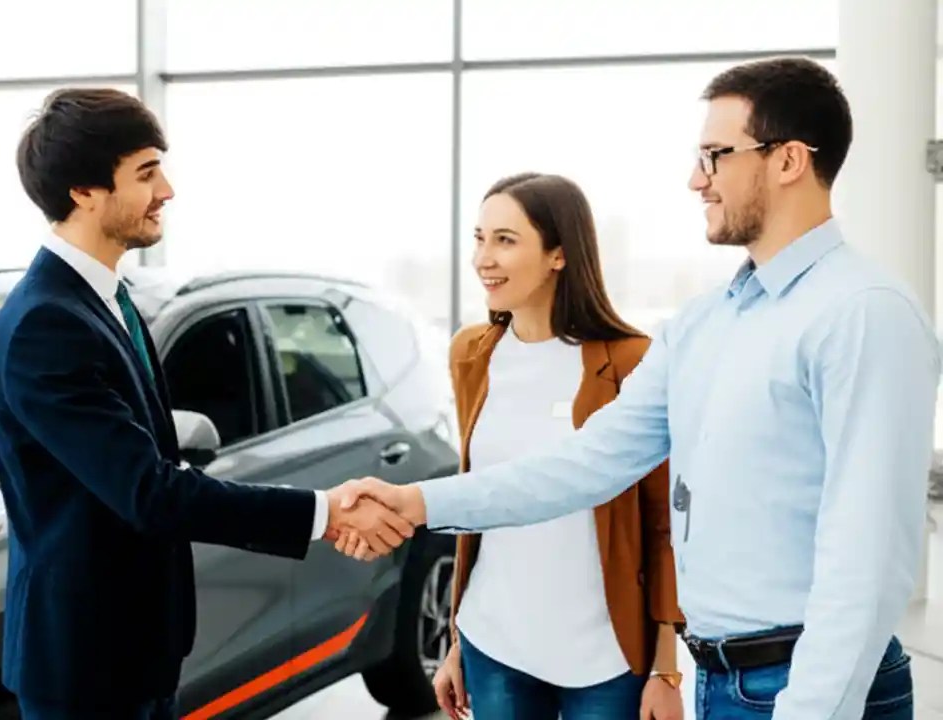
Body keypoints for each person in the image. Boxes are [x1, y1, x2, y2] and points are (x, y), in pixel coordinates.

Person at [337, 57, 941, 719]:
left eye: (715, 156)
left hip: (811, 686)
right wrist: (413, 502)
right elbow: (584, 464)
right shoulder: (702, 324)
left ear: (789, 159)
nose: (695, 180)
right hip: (723, 678)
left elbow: (869, 559)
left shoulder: (863, 313)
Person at [0, 88, 412, 720]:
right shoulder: (47, 325)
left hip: (133, 653)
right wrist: (324, 512)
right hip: (86, 667)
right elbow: (149, 492)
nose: (168, 190)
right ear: (83, 190)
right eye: (147, 172)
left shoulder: (106, 299)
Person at [431, 172, 685, 720]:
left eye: (505, 240)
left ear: (559, 254)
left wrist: (666, 667)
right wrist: (455, 641)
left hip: (606, 658)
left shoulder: (631, 360)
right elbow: (479, 500)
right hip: (493, 643)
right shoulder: (470, 354)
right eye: (479, 238)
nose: (483, 259)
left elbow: (663, 522)